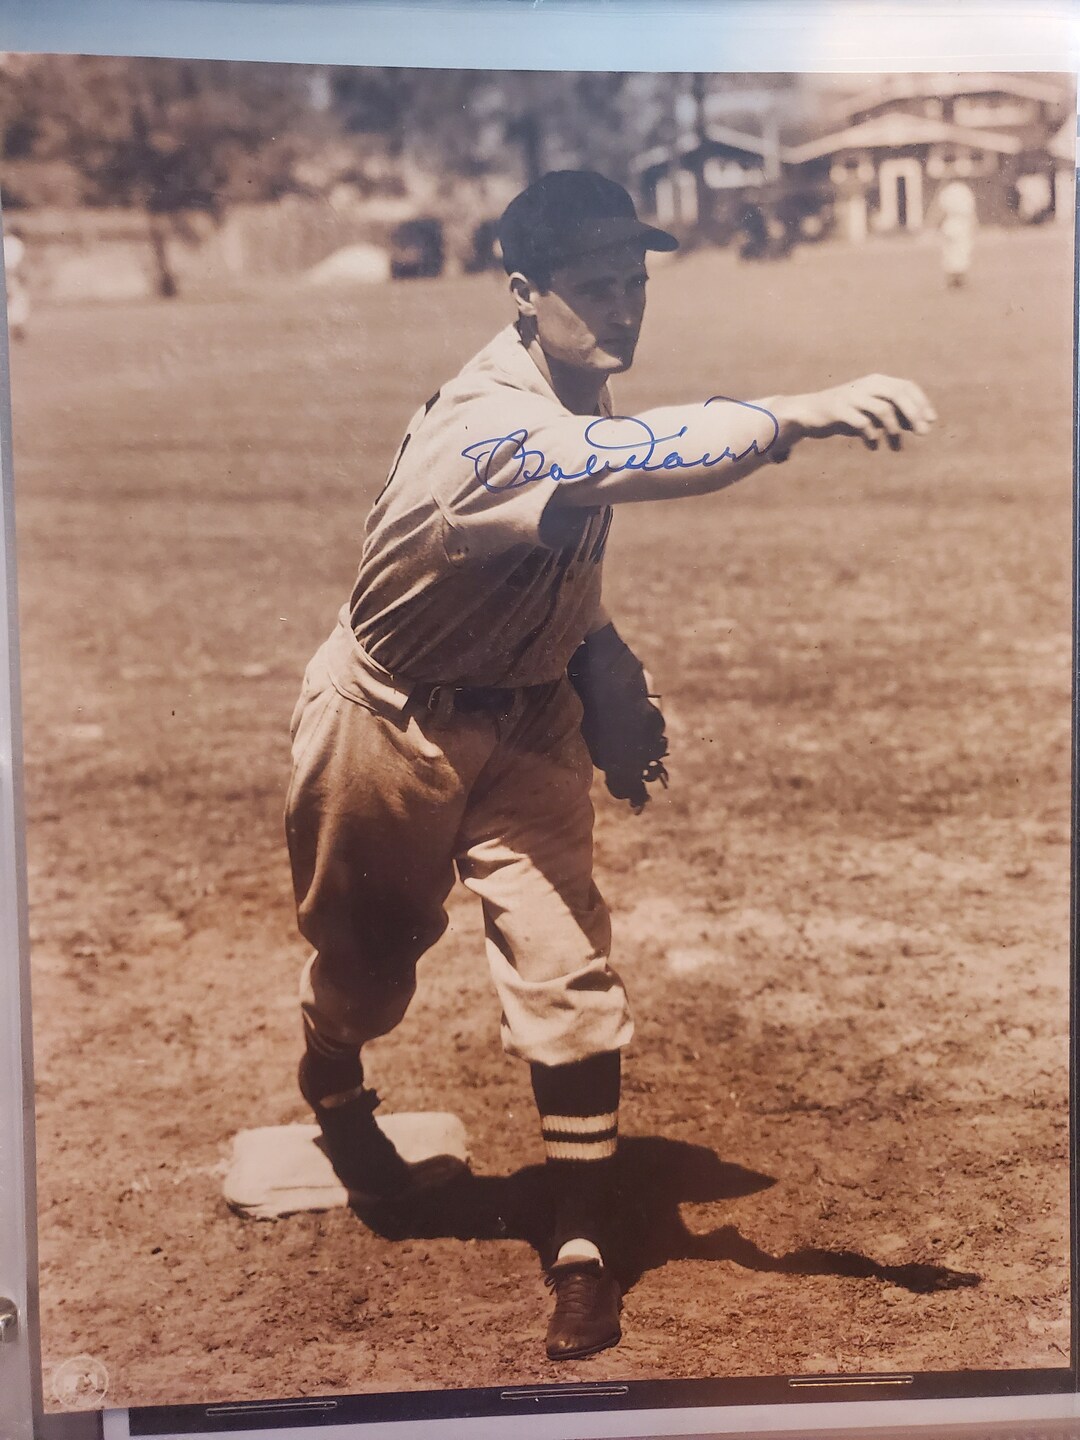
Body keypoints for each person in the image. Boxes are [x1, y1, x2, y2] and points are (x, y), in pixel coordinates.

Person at [285, 169, 936, 1362]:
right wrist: (797, 410)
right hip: (389, 720)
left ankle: (582, 1245)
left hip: (527, 718)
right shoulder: (486, 423)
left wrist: (607, 670)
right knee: (370, 972)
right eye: (596, 286)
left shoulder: (570, 380)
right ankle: (332, 1078)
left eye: (635, 282)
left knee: (569, 965)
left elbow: (563, 565)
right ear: (527, 294)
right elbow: (634, 459)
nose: (626, 308)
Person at [930, 178, 978, 288]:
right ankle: (959, 279)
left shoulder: (946, 191)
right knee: (961, 250)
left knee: (950, 251)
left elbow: (940, 210)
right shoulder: (965, 191)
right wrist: (974, 224)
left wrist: (934, 225)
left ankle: (953, 280)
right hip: (962, 223)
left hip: (951, 222)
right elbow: (971, 210)